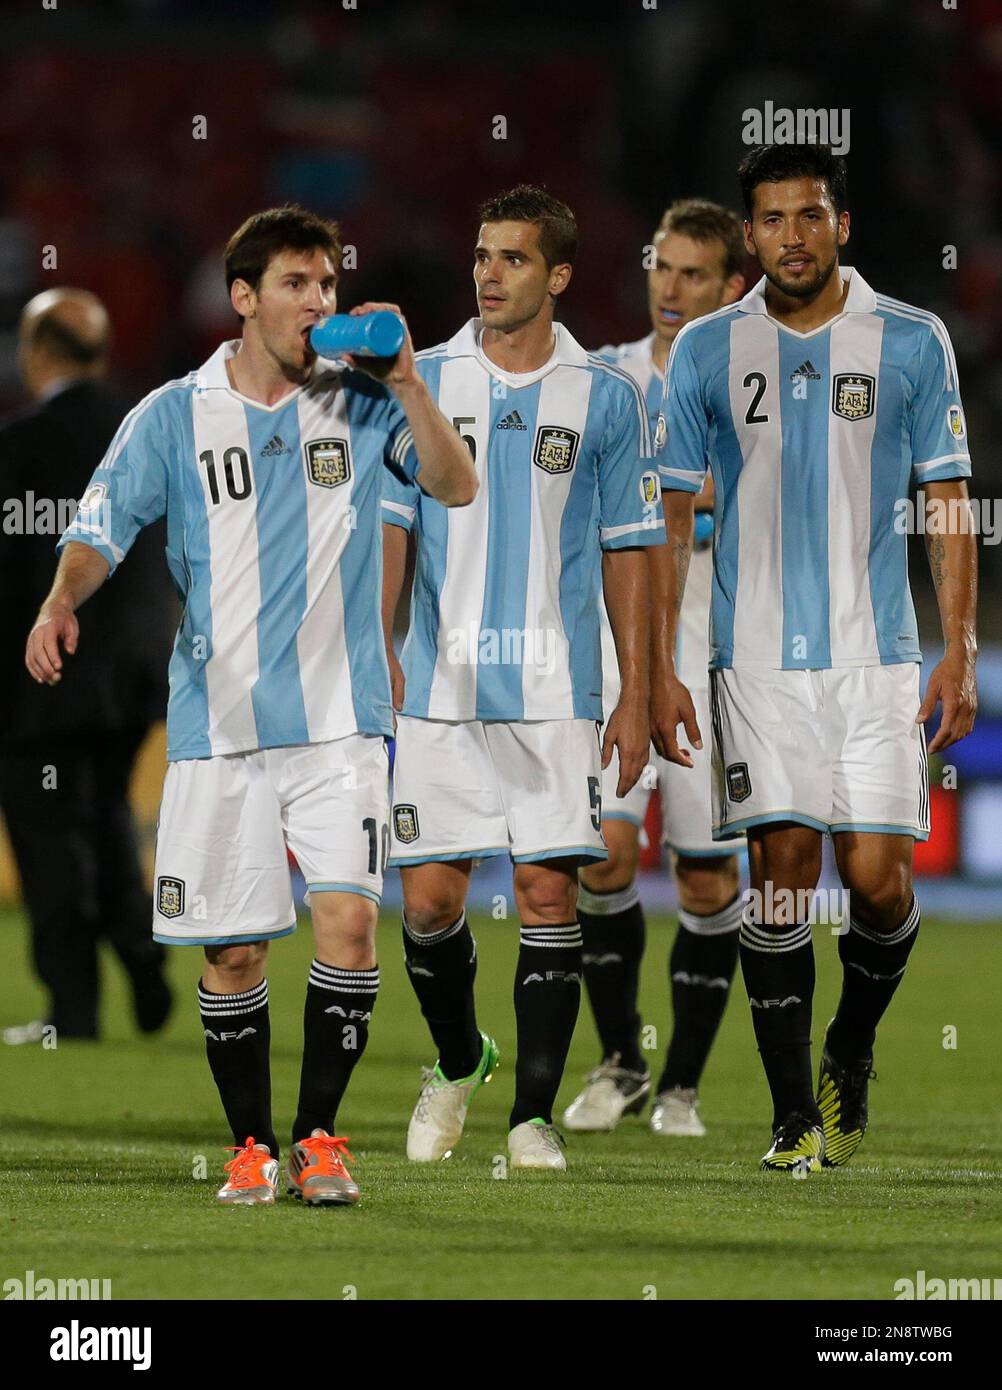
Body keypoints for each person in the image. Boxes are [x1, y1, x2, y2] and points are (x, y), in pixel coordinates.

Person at [26, 205, 477, 1205]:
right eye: (296, 286)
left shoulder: (361, 404)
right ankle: (252, 1147)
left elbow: (455, 483)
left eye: (328, 285)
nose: (319, 303)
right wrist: (60, 600)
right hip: (217, 726)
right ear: (243, 298)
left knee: (349, 930)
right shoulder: (171, 415)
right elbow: (101, 524)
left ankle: (319, 1140)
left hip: (340, 725)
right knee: (231, 951)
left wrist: (405, 380)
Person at [656, 145, 977, 1172]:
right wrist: (661, 662)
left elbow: (947, 501)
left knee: (878, 883)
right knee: (781, 875)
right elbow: (668, 514)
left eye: (810, 215)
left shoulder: (913, 342)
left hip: (876, 659)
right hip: (750, 659)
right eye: (771, 219)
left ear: (842, 225)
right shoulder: (708, 350)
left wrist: (958, 647)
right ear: (746, 236)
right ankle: (793, 1115)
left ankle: (853, 1039)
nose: (791, 235)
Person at [381, 185, 663, 1171]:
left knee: (549, 894)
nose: (490, 274)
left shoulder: (607, 396)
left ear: (559, 276)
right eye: (482, 254)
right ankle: (459, 1061)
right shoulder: (422, 379)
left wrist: (639, 687)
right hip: (441, 689)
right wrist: (380, 642)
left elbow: (634, 546)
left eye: (512, 258)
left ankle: (530, 1116)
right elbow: (394, 522)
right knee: (428, 906)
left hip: (555, 691)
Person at [563, 200, 747, 1138]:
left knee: (709, 878)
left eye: (693, 274)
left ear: (732, 287)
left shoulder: (758, 391)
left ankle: (681, 1083)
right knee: (604, 855)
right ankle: (620, 1062)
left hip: (723, 667)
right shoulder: (604, 381)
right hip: (616, 660)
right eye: (661, 269)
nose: (671, 290)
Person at [0, 289, 172, 1045]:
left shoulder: (20, 443)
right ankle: (140, 952)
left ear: (35, 351)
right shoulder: (144, 434)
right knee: (104, 817)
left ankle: (74, 1009)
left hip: (40, 681)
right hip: (135, 676)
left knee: (49, 837)